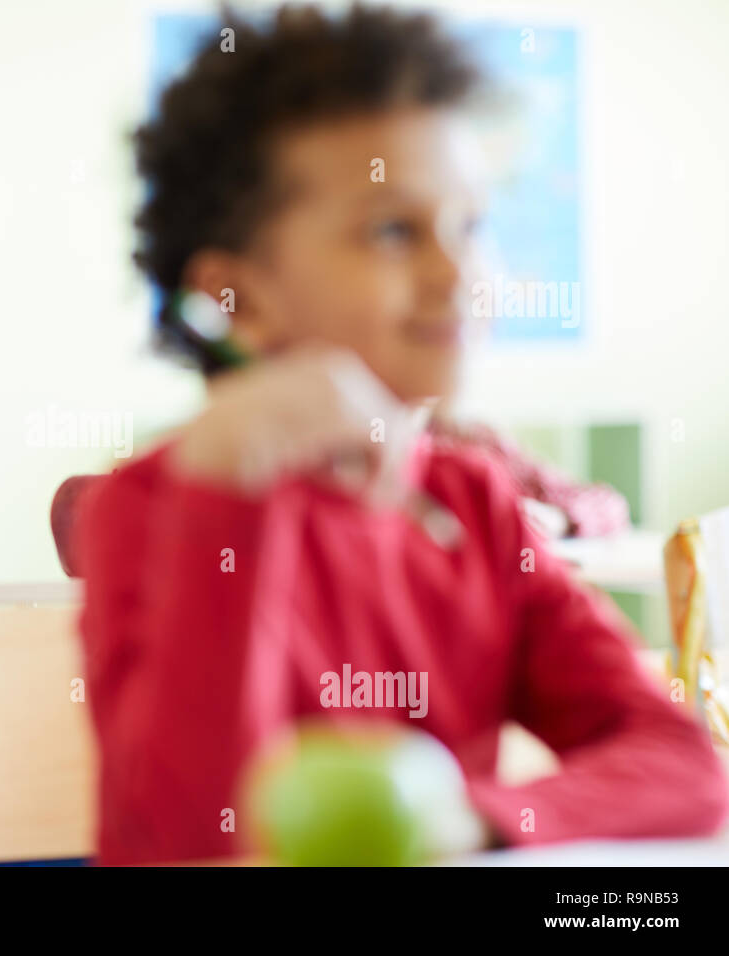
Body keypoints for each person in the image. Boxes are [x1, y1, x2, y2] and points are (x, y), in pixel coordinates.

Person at [74, 3, 727, 865]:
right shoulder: (151, 506)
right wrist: (231, 488)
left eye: (469, 224)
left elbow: (685, 767)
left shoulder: (473, 504)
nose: (458, 273)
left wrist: (479, 819)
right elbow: (194, 837)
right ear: (240, 297)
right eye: (392, 230)